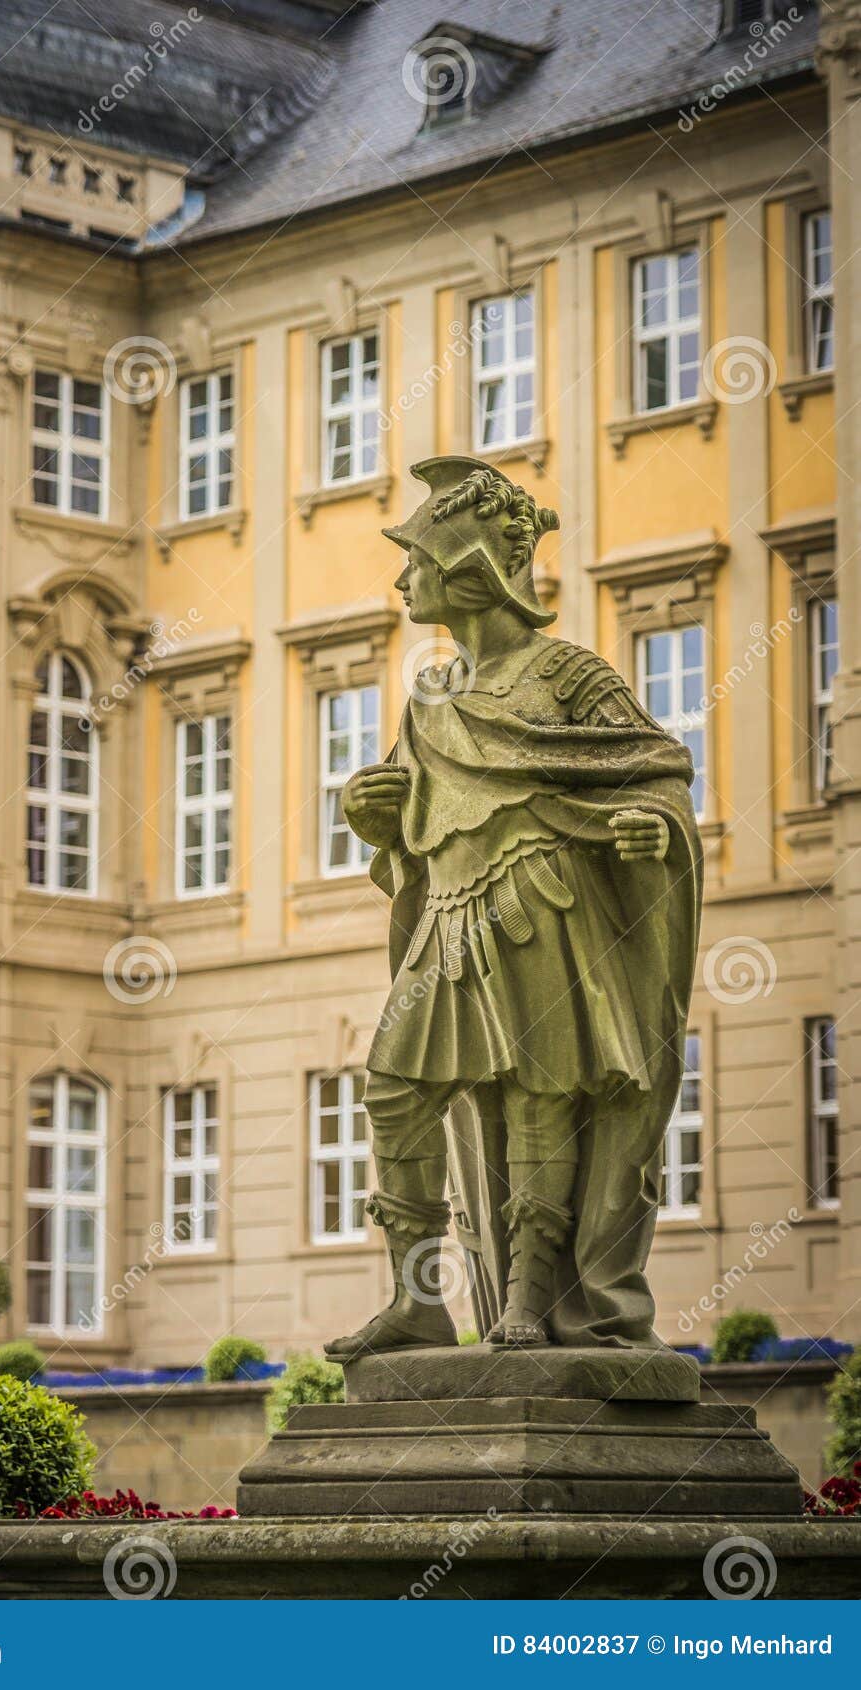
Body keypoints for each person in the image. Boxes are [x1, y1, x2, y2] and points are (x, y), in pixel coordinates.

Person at [325, 456, 702, 1359]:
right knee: (392, 1092)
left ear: (466, 571)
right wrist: (373, 815)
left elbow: (655, 775)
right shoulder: (434, 698)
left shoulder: (569, 676)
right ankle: (417, 1302)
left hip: (542, 905)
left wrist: (649, 826)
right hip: (450, 917)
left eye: (413, 561)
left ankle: (530, 1306)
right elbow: (416, 815)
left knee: (542, 1101)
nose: (400, 580)